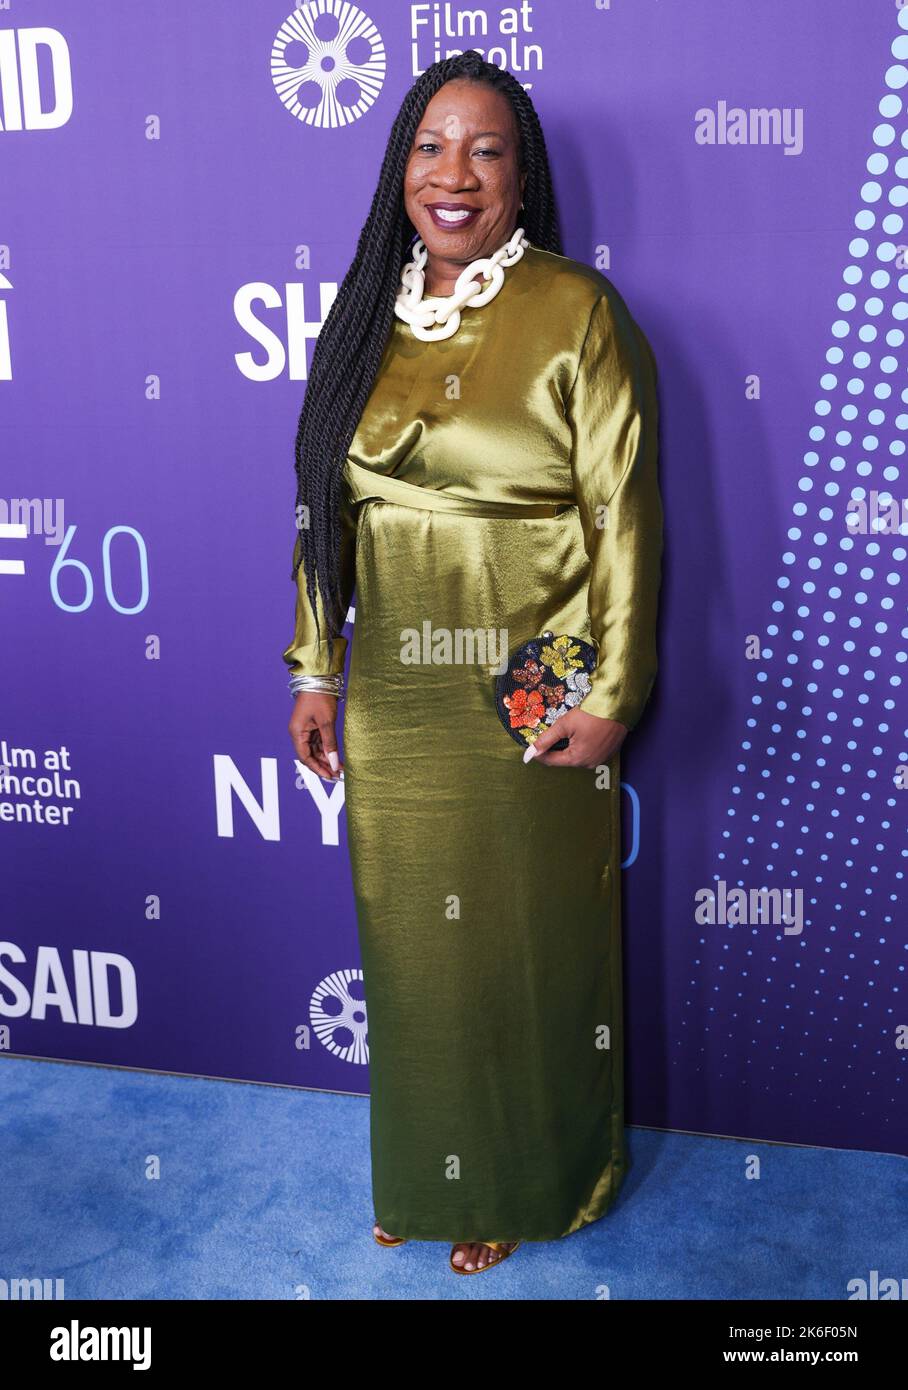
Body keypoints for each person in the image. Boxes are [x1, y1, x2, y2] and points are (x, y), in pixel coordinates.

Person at [283, 50, 663, 1276]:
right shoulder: (363, 314)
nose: (454, 174)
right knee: (412, 948)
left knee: (521, 942)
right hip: (394, 688)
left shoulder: (575, 310)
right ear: (400, 166)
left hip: (528, 679)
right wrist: (311, 669)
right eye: (430, 146)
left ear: (520, 174)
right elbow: (320, 515)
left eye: (485, 150)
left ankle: (524, 1177)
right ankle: (423, 1165)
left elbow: (626, 517)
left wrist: (609, 696)